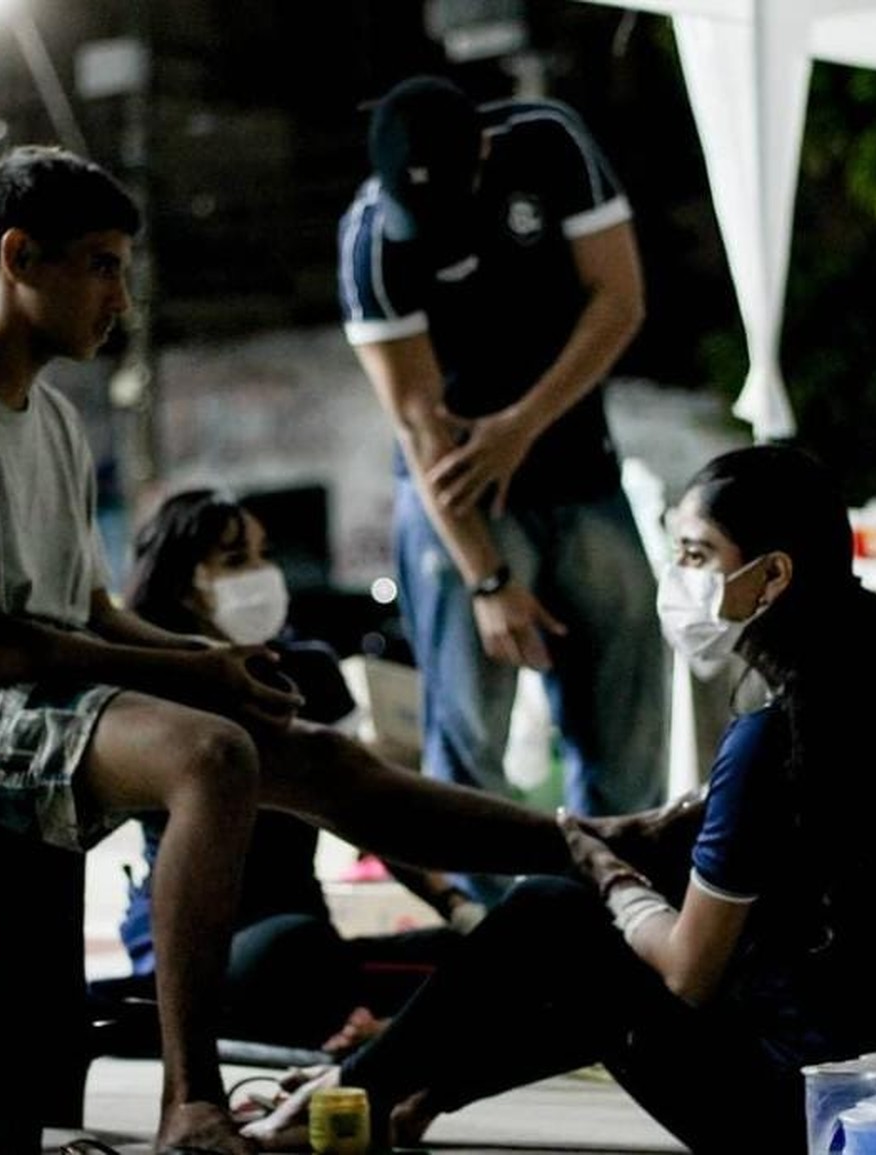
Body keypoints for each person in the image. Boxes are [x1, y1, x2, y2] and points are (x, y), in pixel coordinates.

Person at [0, 145, 571, 1155]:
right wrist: (189, 676)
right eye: (103, 264)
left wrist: (221, 664)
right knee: (212, 754)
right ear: (21, 257)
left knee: (316, 749)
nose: (121, 295)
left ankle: (587, 843)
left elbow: (96, 613)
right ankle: (189, 1103)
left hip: (45, 693)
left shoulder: (56, 419)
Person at [246, 445, 876, 1155]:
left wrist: (613, 880)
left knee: (556, 914)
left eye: (695, 555)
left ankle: (351, 1096)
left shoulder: (771, 738)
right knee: (606, 954)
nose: (676, 577)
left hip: (804, 1119)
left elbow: (684, 974)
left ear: (773, 576)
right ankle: (408, 1093)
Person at [337, 75, 668, 901]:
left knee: (623, 725)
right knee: (469, 737)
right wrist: (487, 577)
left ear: (481, 152)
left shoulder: (548, 144)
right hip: (457, 493)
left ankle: (617, 911)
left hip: (579, 468)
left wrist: (523, 421)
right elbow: (419, 426)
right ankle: (495, 930)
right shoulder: (373, 240)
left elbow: (620, 299)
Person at [101, 488, 485, 1053]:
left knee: (484, 951)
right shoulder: (160, 680)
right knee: (293, 953)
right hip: (205, 948)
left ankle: (359, 1023)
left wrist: (457, 906)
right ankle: (361, 1024)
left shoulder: (309, 672)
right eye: (235, 561)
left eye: (263, 555)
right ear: (183, 581)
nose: (260, 574)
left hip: (303, 936)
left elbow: (373, 812)